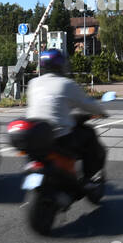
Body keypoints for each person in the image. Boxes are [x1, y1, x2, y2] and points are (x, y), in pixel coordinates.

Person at [25, 48, 108, 183]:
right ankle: (90, 178)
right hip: (59, 137)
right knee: (89, 136)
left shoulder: (33, 83)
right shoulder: (66, 84)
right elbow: (87, 104)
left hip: (35, 135)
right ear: (60, 65)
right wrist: (101, 111)